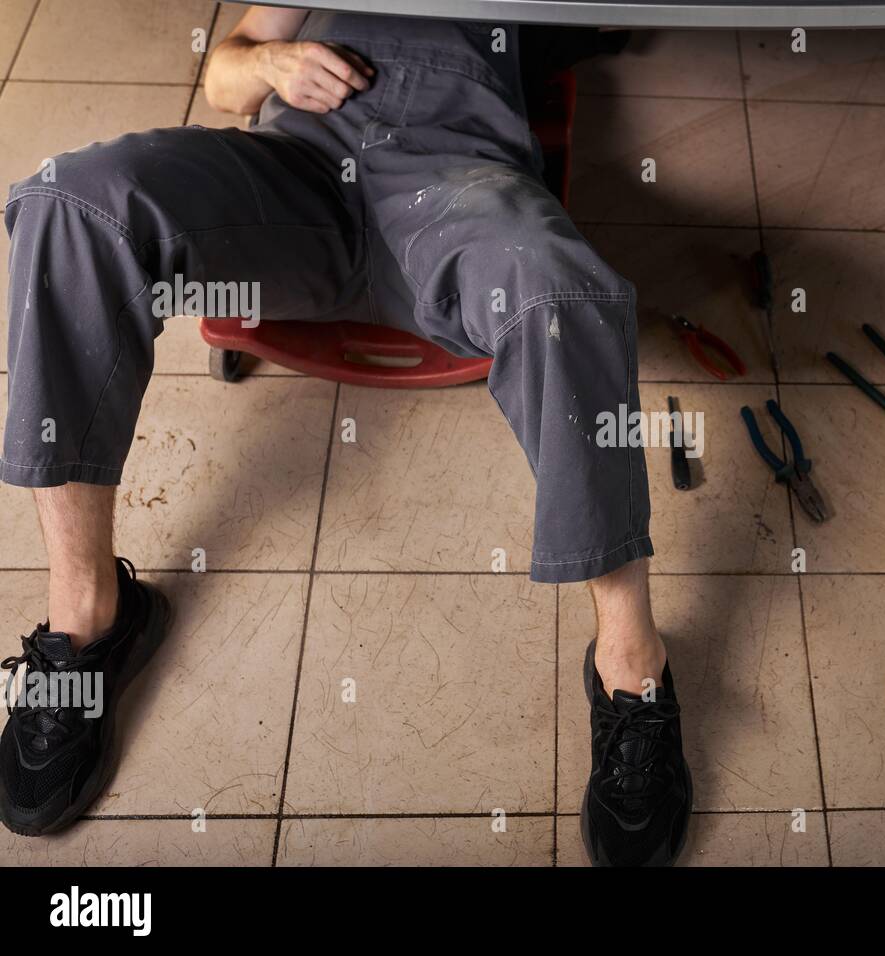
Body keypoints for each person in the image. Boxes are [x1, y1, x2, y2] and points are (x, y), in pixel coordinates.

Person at [0, 5, 691, 867]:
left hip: (461, 188)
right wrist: (272, 64)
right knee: (69, 202)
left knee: (565, 297)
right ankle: (88, 621)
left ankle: (631, 668)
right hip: (302, 181)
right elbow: (223, 73)